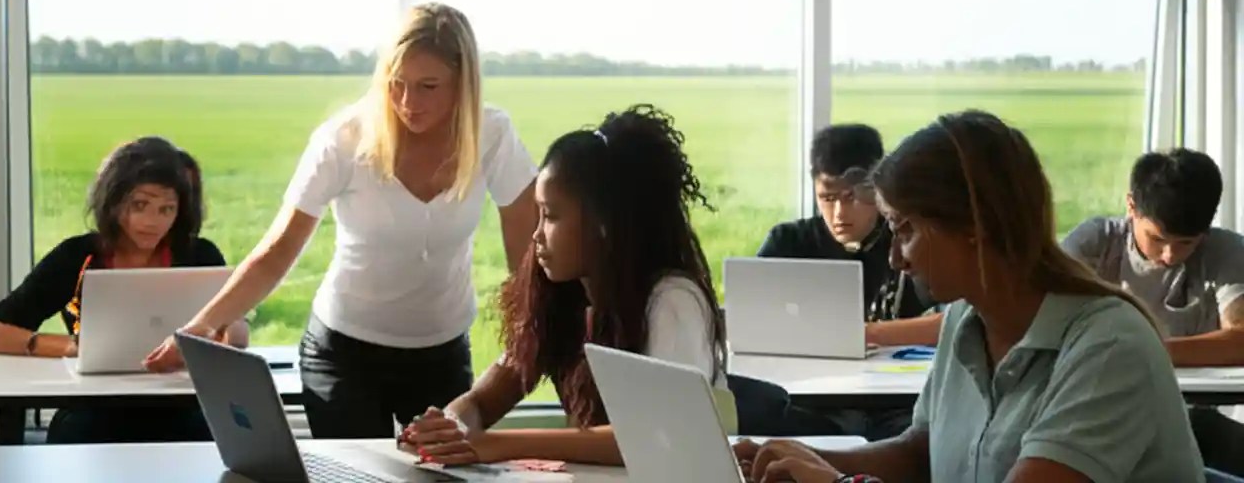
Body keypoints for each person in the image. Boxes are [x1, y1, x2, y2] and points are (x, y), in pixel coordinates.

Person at [143, 3, 540, 442]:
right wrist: (199, 327)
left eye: (429, 86)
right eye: (397, 84)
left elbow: (528, 256)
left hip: (441, 354)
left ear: (464, 85)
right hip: (343, 354)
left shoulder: (493, 134)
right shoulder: (344, 138)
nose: (409, 103)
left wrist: (540, 337)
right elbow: (276, 252)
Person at [735, 111, 1203, 483]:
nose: (897, 258)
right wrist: (791, 457)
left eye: (906, 230)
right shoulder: (965, 318)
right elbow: (922, 453)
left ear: (974, 226)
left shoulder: (1109, 347)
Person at [401, 105, 727, 466]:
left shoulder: (673, 302)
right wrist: (453, 427)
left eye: (551, 216)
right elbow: (482, 400)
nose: (537, 234)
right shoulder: (563, 296)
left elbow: (655, 438)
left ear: (604, 223)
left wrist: (501, 445)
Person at [0, 137, 246, 444]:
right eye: (139, 205)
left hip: (181, 404)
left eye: (166, 209)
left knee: (217, 436)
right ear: (114, 201)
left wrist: (205, 339)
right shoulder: (77, 256)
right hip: (94, 408)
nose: (152, 222)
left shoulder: (199, 255)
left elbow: (239, 333)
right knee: (78, 432)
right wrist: (71, 348)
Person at [1061, 148, 1244, 476]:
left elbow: (1241, 339)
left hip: (1190, 420)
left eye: (1187, 243)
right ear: (1131, 206)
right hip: (1096, 412)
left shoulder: (1227, 252)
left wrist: (1141, 349)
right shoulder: (1094, 245)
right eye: (1157, 239)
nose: (1170, 255)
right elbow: (1038, 311)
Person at [757, 124, 938, 441]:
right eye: (826, 198)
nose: (839, 213)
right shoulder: (788, 243)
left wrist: (868, 334)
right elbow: (749, 320)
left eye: (851, 197)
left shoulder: (906, 242)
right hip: (812, 403)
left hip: (895, 405)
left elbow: (954, 320)